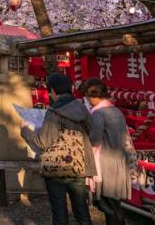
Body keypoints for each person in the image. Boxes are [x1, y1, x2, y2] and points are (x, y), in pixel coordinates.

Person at [22, 73, 96, 225]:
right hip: (80, 165)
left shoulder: (54, 112)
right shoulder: (83, 109)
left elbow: (42, 142)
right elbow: (92, 133)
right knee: (82, 211)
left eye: (50, 91)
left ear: (53, 91)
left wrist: (25, 130)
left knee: (59, 212)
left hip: (57, 167)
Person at [81, 77, 135, 225]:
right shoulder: (115, 110)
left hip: (106, 166)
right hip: (119, 163)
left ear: (91, 96)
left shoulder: (99, 114)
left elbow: (95, 140)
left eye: (86, 96)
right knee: (115, 205)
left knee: (109, 207)